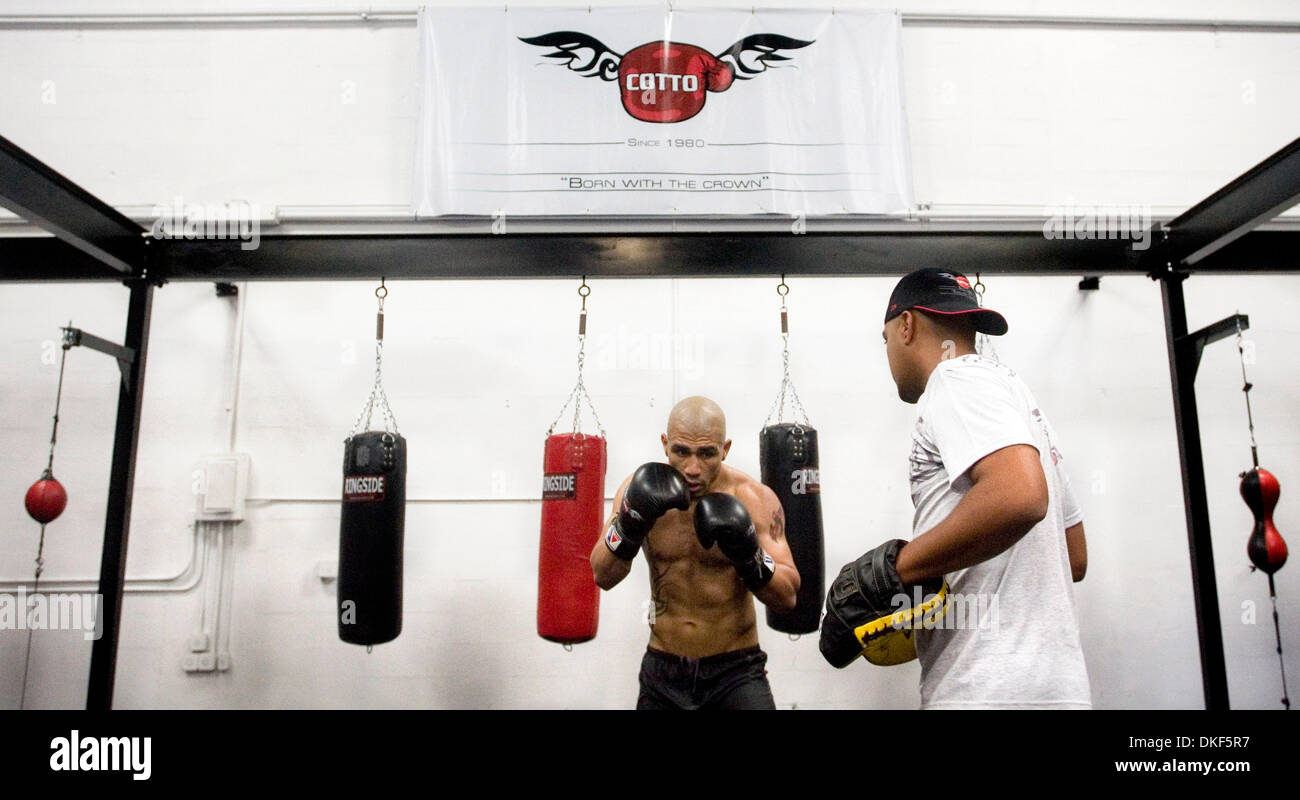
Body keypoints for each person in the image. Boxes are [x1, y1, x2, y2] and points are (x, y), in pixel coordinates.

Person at [823, 268, 1090, 709]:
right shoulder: (1021, 402)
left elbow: (1021, 497)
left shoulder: (955, 380)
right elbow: (1074, 557)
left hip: (986, 687)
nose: (888, 350)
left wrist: (898, 572)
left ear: (905, 325)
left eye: (885, 337)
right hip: (1058, 688)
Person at [590, 396, 800, 710]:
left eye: (707, 454)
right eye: (681, 451)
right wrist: (630, 525)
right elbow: (602, 575)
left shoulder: (753, 499)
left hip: (736, 672)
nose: (692, 468)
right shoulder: (637, 488)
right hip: (663, 670)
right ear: (665, 444)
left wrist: (748, 555)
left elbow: (787, 598)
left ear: (725, 449)